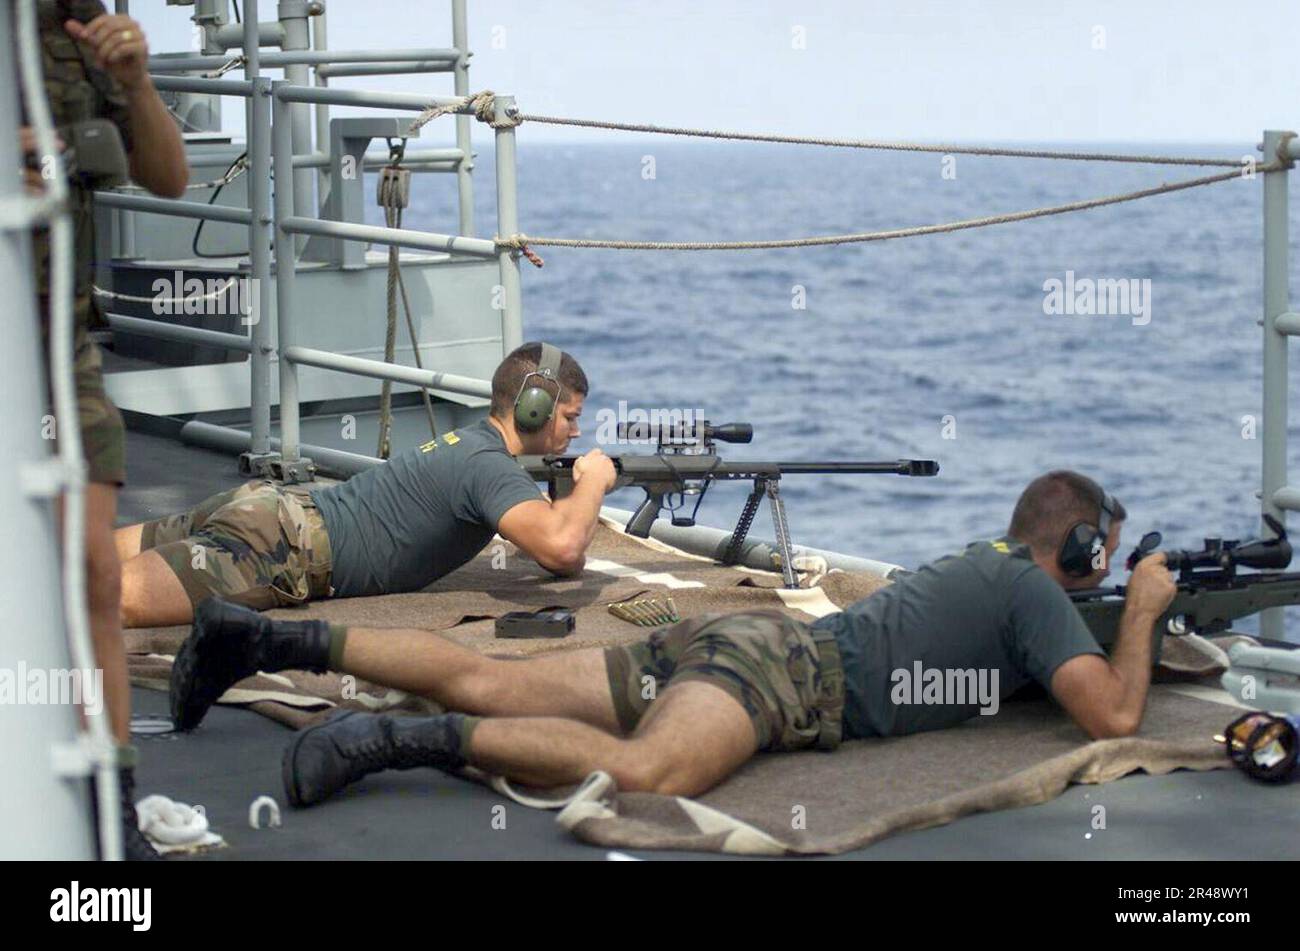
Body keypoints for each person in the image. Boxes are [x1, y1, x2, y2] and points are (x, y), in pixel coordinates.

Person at [168, 469, 1178, 806]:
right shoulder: (1037, 596)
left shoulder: (983, 564)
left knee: (487, 673)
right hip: (779, 675)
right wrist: (1139, 614)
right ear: (1082, 547)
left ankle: (263, 641)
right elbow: (1111, 713)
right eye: (1105, 554)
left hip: (734, 638)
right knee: (650, 777)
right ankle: (404, 743)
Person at [115, 342, 619, 627]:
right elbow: (560, 545)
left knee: (91, 554)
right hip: (285, 549)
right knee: (117, 599)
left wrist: (571, 498)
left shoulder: (473, 445)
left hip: (271, 513)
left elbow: (564, 559)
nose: (575, 431)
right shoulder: (489, 467)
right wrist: (593, 481)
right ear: (534, 409)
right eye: (570, 417)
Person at [25, 0, 189, 858]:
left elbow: (169, 176)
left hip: (61, 347)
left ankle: (109, 799)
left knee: (93, 570)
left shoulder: (83, 35)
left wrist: (136, 83)